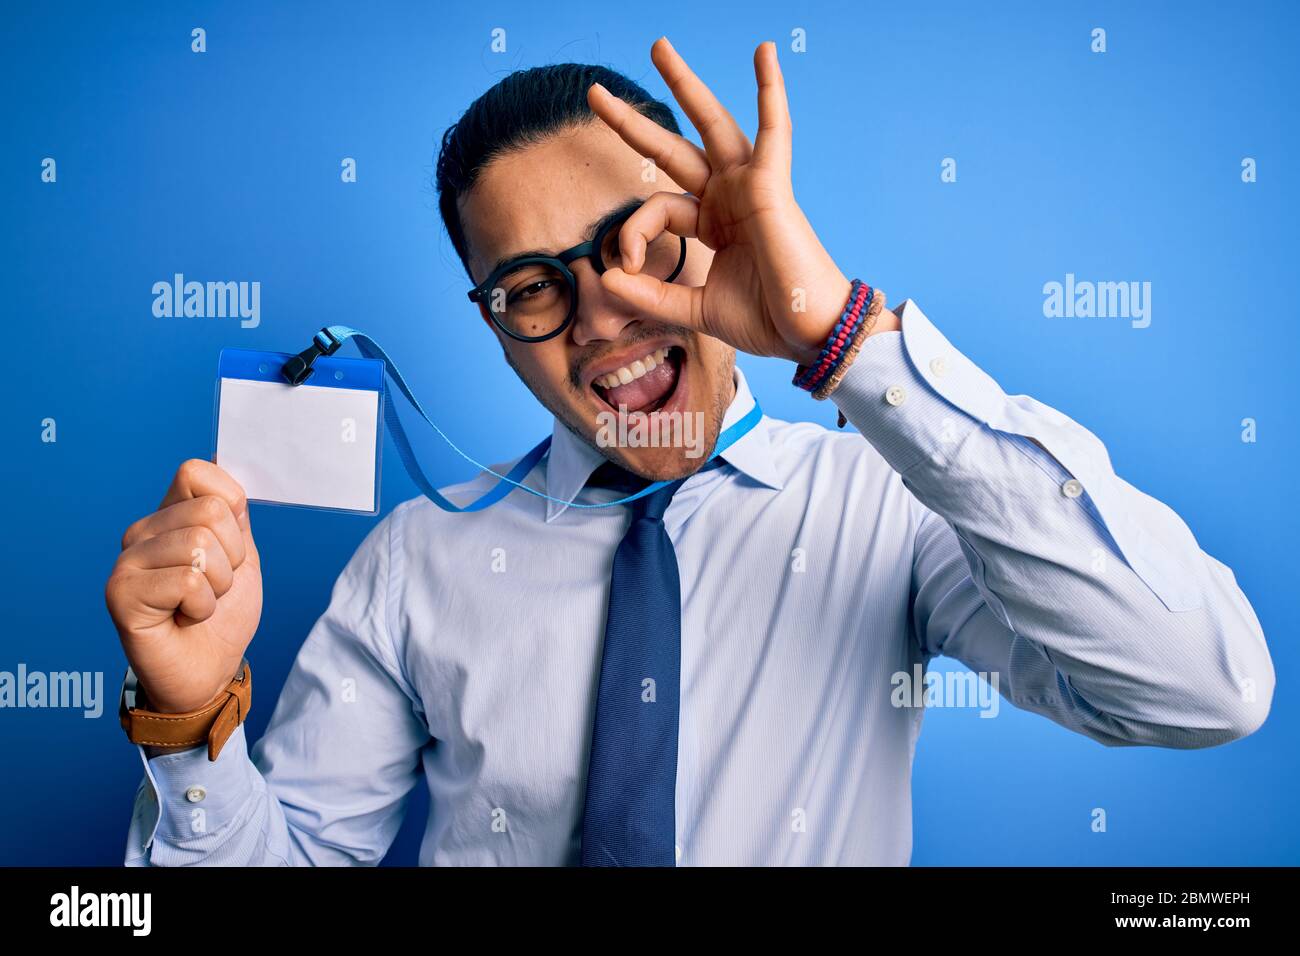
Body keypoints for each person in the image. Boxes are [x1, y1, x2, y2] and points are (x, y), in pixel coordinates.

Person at [106, 38, 1274, 866]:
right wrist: (191, 715)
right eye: (532, 287)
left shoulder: (888, 505)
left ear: (715, 232)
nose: (604, 315)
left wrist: (843, 337)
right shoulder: (416, 562)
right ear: (493, 322)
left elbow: (1200, 685)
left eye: (642, 245)